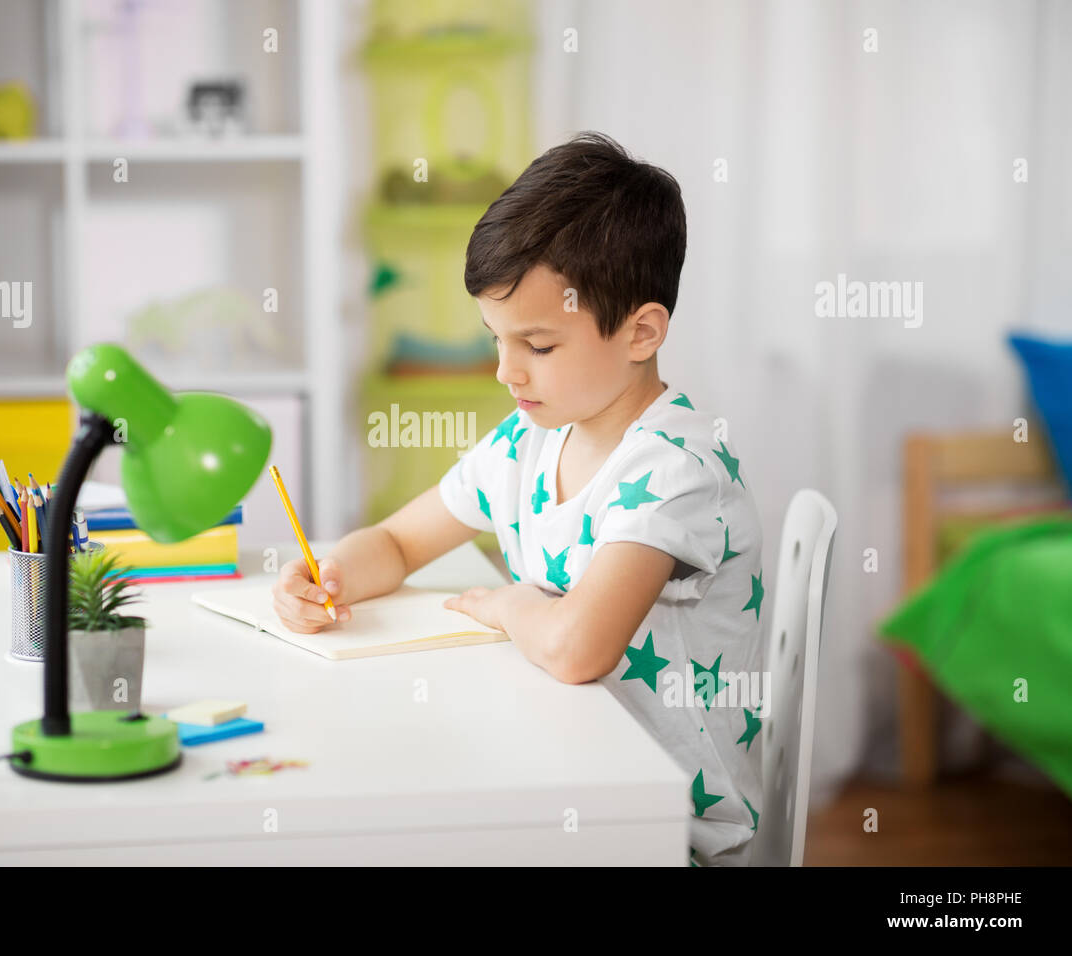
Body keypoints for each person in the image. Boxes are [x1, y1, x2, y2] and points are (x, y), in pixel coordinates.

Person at [272, 132, 765, 866]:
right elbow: (402, 543)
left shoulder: (677, 472)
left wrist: (505, 607)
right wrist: (328, 572)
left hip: (665, 827)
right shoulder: (526, 442)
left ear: (640, 332)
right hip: (567, 773)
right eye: (495, 339)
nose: (506, 370)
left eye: (537, 346)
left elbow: (574, 650)